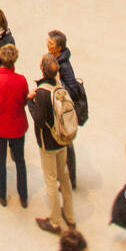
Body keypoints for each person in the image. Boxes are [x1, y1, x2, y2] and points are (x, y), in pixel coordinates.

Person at [28, 54, 75, 234]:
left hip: (47, 142)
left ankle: (54, 221)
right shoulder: (60, 88)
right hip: (62, 139)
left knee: (50, 179)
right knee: (64, 177)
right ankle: (69, 216)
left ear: (42, 69)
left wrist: (29, 101)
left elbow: (39, 119)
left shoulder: (42, 92)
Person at [0, 43, 28, 209]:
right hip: (17, 126)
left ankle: (2, 194)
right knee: (20, 161)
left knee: (0, 159)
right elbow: (25, 100)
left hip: (0, 126)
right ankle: (23, 196)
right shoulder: (21, 80)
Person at [46, 30, 82, 188]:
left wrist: (59, 86)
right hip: (59, 109)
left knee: (67, 144)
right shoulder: (56, 59)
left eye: (51, 43)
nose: (47, 44)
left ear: (59, 48)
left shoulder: (65, 66)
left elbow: (72, 88)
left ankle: (71, 179)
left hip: (64, 111)